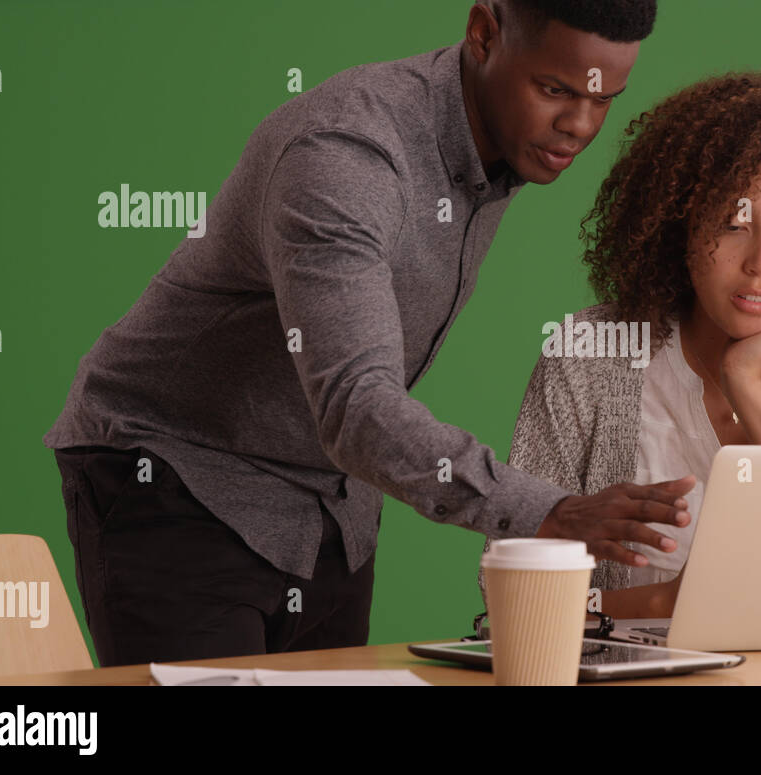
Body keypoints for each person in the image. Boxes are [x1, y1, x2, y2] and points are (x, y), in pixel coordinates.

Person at [43, 0, 696, 667]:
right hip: (181, 475)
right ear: (484, 33)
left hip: (332, 503)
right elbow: (357, 405)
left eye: (603, 99)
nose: (579, 125)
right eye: (555, 90)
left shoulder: (500, 141)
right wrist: (550, 512)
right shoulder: (346, 153)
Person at [480, 72, 761, 619]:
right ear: (679, 225)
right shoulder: (589, 354)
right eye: (731, 225)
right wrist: (664, 601)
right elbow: (511, 598)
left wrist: (749, 386)